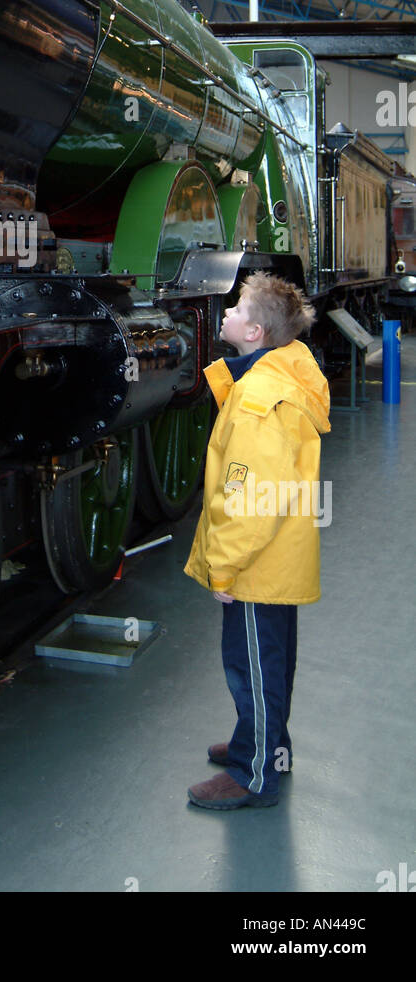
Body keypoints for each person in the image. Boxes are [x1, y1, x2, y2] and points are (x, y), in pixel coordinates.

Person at [183, 271, 330, 810]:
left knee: (251, 666)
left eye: (237, 308)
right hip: (277, 561)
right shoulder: (284, 372)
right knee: (270, 658)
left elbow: (249, 501)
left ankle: (256, 773)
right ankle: (265, 743)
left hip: (255, 567)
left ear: (256, 333)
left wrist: (223, 570)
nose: (225, 312)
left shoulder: (259, 400)